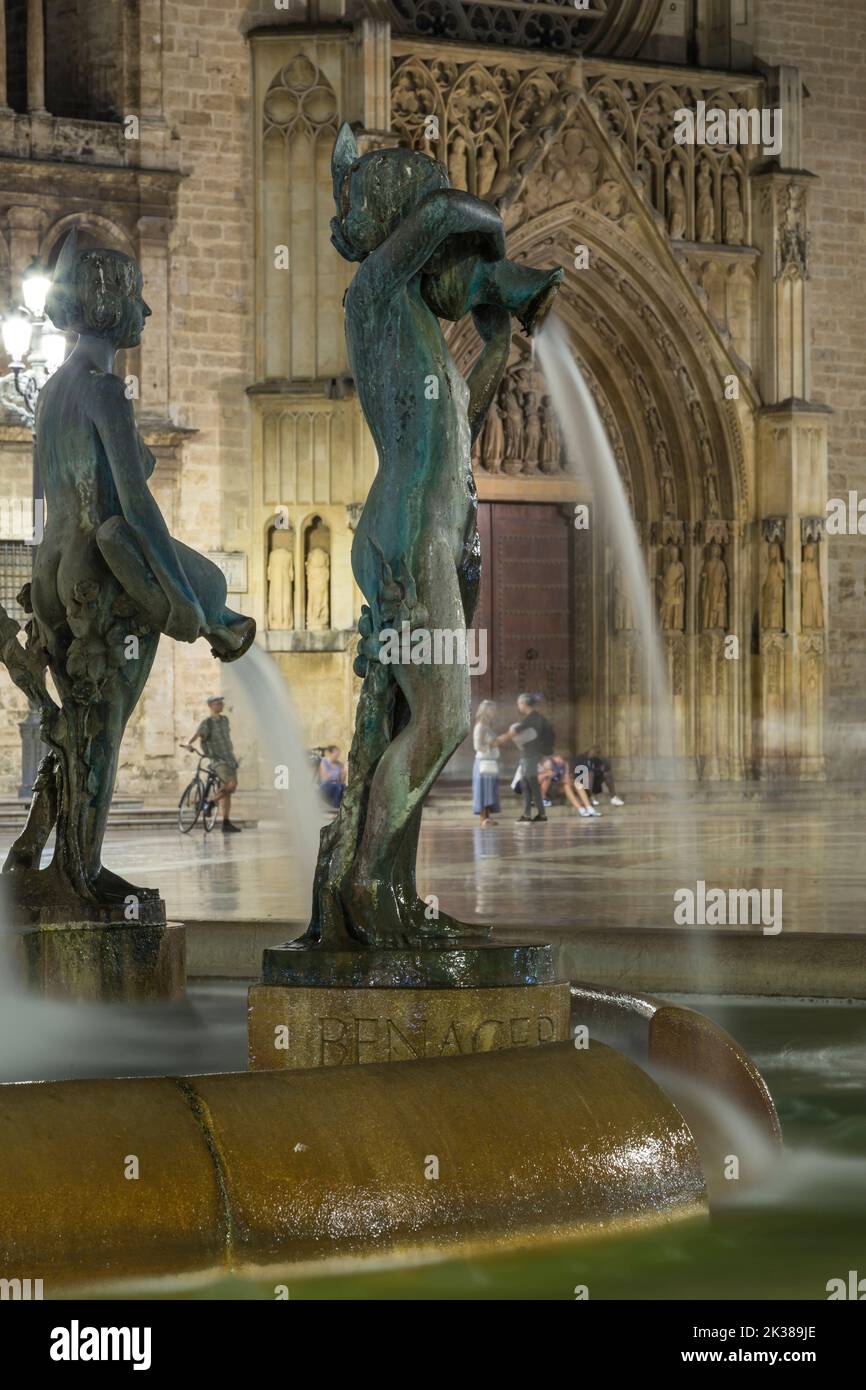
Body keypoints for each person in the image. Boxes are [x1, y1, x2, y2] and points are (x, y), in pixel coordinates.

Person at [187, 696, 243, 833]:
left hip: (230, 758)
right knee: (231, 784)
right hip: (218, 760)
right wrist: (189, 744)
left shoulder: (225, 720)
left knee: (228, 791)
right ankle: (209, 803)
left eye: (221, 703)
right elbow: (198, 734)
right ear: (211, 706)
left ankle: (226, 822)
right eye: (217, 704)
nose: (220, 705)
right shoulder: (208, 723)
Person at [500, 692, 555, 823]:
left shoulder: (533, 717)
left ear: (524, 704)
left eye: (519, 703)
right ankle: (535, 814)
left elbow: (516, 731)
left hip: (530, 756)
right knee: (530, 784)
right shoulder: (535, 717)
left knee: (529, 784)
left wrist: (499, 740)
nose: (518, 706)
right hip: (531, 755)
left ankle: (534, 814)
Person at [539, 753, 601, 818]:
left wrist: (568, 780)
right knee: (566, 786)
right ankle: (581, 809)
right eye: (559, 757)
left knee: (576, 784)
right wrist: (547, 774)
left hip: (561, 786)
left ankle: (589, 808)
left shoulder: (564, 764)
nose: (561, 760)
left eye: (561, 758)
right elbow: (539, 780)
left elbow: (566, 777)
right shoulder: (547, 763)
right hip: (550, 789)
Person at [472, 699, 502, 828]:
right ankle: (483, 817)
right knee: (483, 790)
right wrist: (492, 744)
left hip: (490, 762)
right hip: (483, 763)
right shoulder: (480, 726)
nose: (494, 712)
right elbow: (478, 746)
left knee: (490, 789)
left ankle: (488, 816)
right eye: (492, 710)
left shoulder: (487, 726)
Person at [319, 746, 347, 810]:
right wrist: (335, 780)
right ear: (330, 753)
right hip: (325, 785)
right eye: (336, 754)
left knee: (344, 786)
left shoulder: (340, 764)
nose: (337, 756)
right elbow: (325, 776)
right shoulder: (324, 762)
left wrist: (344, 772)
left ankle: (343, 807)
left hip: (336, 784)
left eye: (338, 754)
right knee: (338, 786)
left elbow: (342, 780)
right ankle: (336, 807)